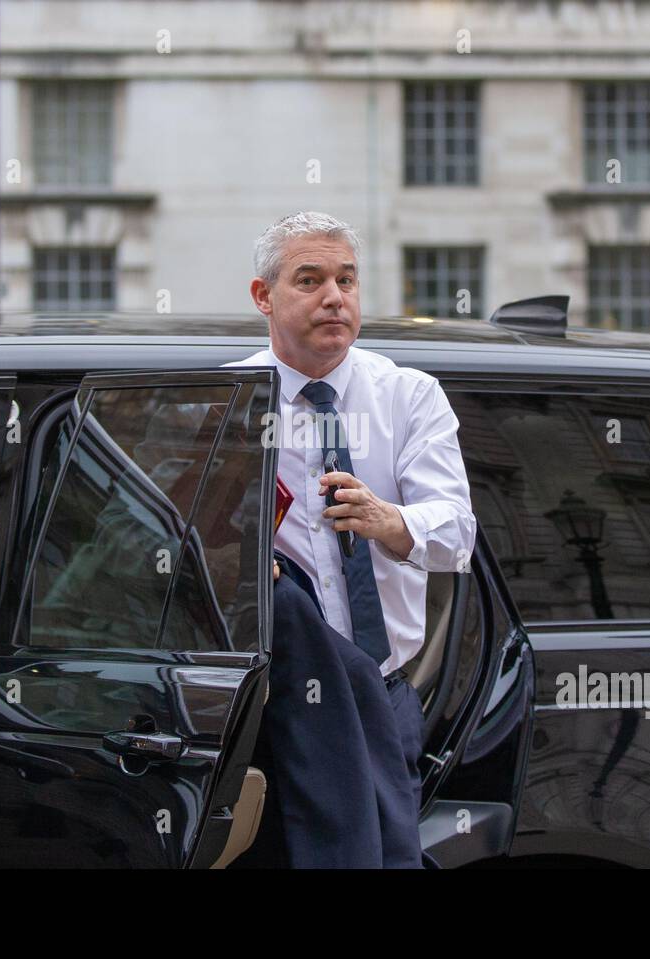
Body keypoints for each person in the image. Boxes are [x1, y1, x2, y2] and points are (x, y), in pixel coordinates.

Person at [226, 211, 476, 867]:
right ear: (263, 296)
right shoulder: (225, 399)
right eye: (310, 279)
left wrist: (387, 519)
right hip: (264, 701)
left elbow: (456, 536)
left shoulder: (408, 396)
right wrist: (243, 566)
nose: (335, 297)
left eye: (347, 279)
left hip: (380, 690)